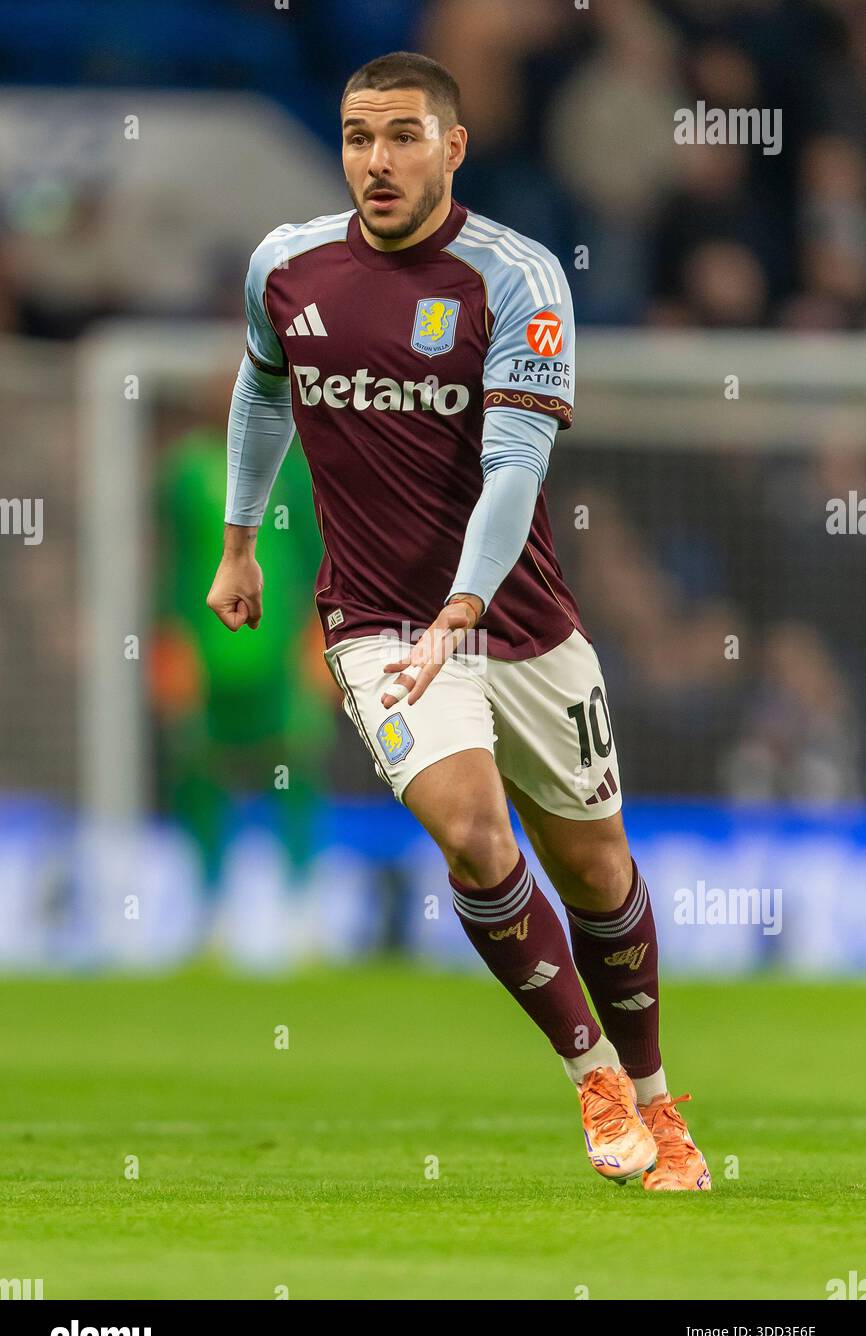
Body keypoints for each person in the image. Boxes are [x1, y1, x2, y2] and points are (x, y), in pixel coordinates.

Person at [206, 50, 710, 1191]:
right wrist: (239, 544)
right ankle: (586, 1072)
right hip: (378, 623)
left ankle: (654, 1092)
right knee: (474, 836)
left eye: (397, 136)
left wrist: (468, 601)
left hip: (517, 619)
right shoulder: (285, 267)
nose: (372, 162)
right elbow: (262, 387)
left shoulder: (516, 276)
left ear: (451, 146)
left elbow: (513, 468)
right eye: (353, 138)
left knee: (596, 873)